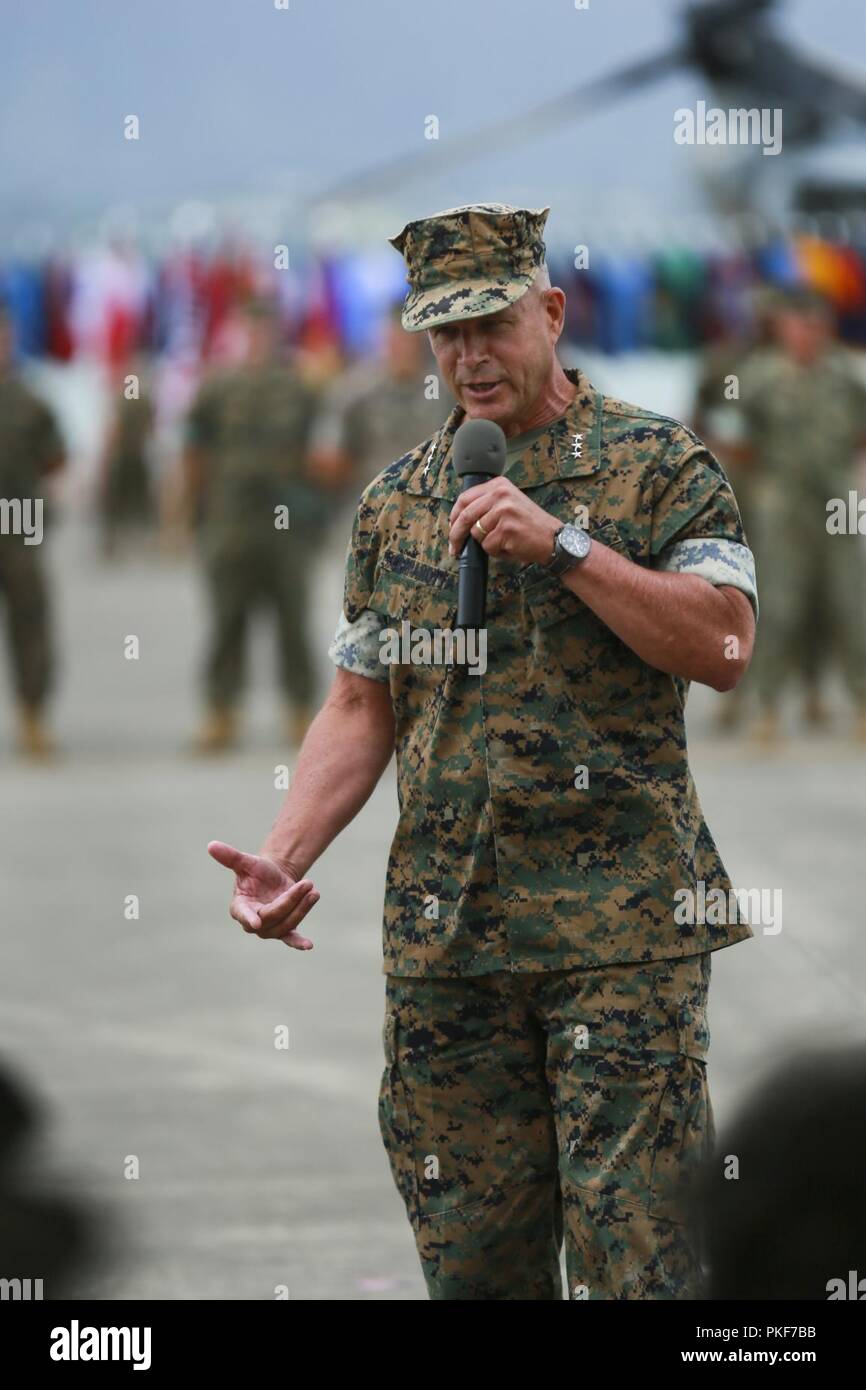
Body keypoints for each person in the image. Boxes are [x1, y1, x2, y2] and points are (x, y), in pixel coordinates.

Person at [207, 204, 758, 1300]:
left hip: (621, 938)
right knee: (473, 1271)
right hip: (447, 945)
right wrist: (287, 850)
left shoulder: (654, 466)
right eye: (442, 335)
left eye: (490, 326)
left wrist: (564, 545)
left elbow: (723, 642)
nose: (467, 357)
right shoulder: (400, 503)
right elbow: (361, 705)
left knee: (638, 1262)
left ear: (549, 314)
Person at [184, 298, 325, 753]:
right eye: (251, 331)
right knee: (227, 619)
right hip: (231, 523)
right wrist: (191, 514)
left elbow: (321, 456)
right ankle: (221, 712)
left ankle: (300, 712)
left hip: (286, 530)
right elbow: (193, 451)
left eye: (266, 331)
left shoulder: (300, 389)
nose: (258, 341)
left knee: (293, 620)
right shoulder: (217, 388)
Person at [740, 287, 866, 743]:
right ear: (782, 329)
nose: (807, 334)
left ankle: (860, 703)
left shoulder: (847, 377)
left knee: (850, 602)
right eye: (798, 324)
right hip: (783, 505)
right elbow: (739, 441)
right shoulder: (758, 379)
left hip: (839, 504)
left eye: (815, 324)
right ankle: (768, 706)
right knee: (780, 606)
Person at [0, 304, 66, 758]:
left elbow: (56, 457)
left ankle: (33, 715)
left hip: (18, 518)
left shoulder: (30, 401)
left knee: (30, 619)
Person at [310, 301, 449, 502]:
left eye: (407, 338)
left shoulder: (444, 386)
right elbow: (326, 456)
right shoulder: (356, 388)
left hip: (431, 496)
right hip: (370, 496)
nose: (401, 346)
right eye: (394, 338)